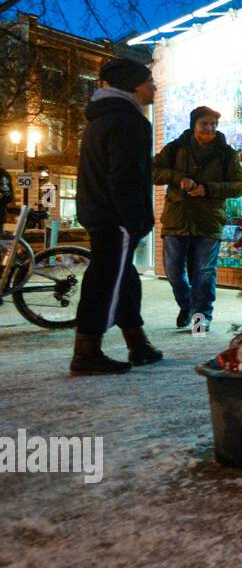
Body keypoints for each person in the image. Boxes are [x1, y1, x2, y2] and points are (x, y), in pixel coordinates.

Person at [70, 58, 162, 374]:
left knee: (123, 278)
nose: (154, 87)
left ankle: (138, 343)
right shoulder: (130, 122)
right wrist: (134, 218)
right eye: (150, 81)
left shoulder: (102, 119)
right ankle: (87, 351)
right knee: (105, 280)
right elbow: (125, 175)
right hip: (116, 216)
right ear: (135, 85)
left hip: (100, 211)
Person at [153, 106, 242, 330]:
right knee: (173, 271)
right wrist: (178, 178)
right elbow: (152, 171)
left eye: (213, 123)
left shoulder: (227, 154)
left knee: (204, 273)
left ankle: (201, 320)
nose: (210, 127)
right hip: (176, 219)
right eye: (205, 123)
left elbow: (239, 185)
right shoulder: (175, 149)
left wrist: (208, 189)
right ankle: (187, 305)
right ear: (193, 124)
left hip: (208, 221)